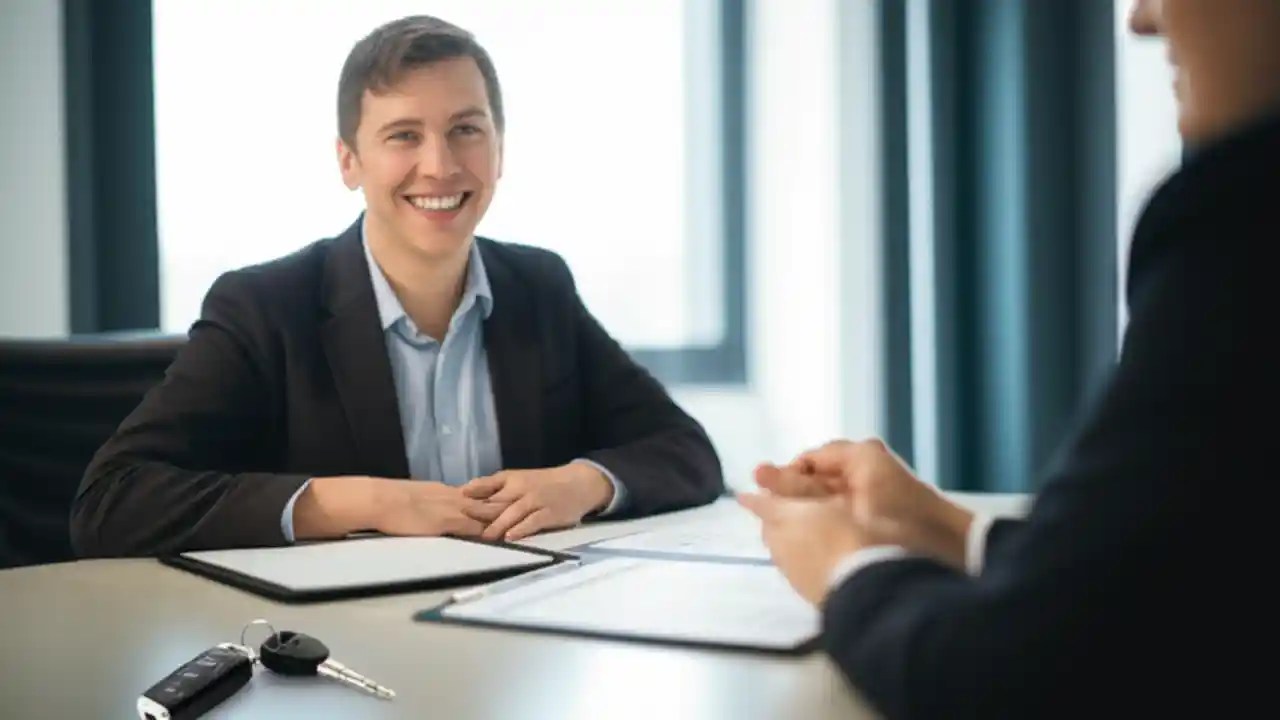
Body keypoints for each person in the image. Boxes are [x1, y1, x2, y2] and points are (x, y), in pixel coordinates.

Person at [739, 0, 1276, 717]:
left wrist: (848, 566)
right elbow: (1219, 584)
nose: (1142, 19)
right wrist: (948, 529)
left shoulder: (1242, 228)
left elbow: (1016, 675)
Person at [70, 15, 724, 557]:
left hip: (519, 652)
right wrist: (363, 501)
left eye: (466, 129)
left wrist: (581, 485)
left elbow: (687, 452)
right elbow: (112, 502)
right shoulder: (265, 308)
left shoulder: (538, 286)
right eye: (403, 135)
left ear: (499, 149)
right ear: (349, 161)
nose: (439, 165)